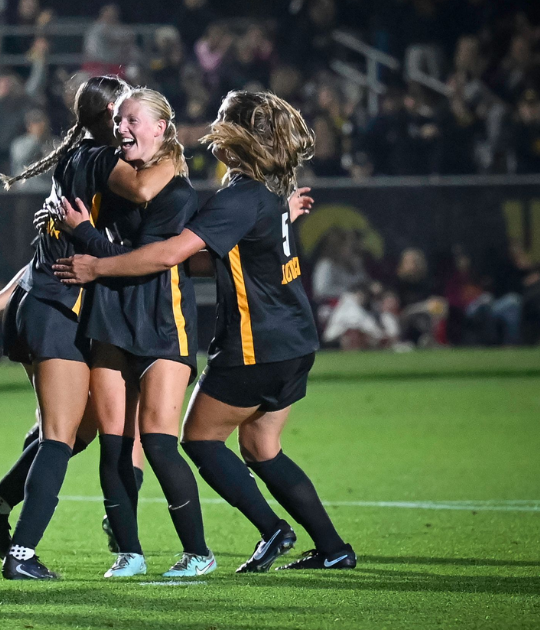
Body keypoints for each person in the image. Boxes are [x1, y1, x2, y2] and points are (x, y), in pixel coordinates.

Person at [54, 90, 356, 572]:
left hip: (257, 344)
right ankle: (333, 548)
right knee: (261, 448)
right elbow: (202, 259)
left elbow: (172, 255)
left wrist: (95, 262)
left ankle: (271, 531)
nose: (214, 128)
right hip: (296, 341)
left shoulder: (237, 197)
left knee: (198, 440)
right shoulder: (263, 191)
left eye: (221, 120)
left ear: (238, 135)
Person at [0, 75, 175, 580]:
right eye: (123, 114)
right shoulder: (102, 160)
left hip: (40, 303)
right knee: (60, 436)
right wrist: (172, 148)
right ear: (107, 119)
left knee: (78, 430)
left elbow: (48, 253)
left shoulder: (75, 159)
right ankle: (22, 554)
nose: (128, 123)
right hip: (57, 309)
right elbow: (146, 186)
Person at [54, 88, 211, 579]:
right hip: (109, 319)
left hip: (163, 321)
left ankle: (198, 553)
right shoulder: (114, 180)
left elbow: (145, 260)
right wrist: (63, 226)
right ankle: (129, 553)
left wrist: (86, 237)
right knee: (115, 445)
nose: (121, 128)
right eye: (118, 120)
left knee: (159, 443)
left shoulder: (177, 193)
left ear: (160, 128)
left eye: (132, 120)